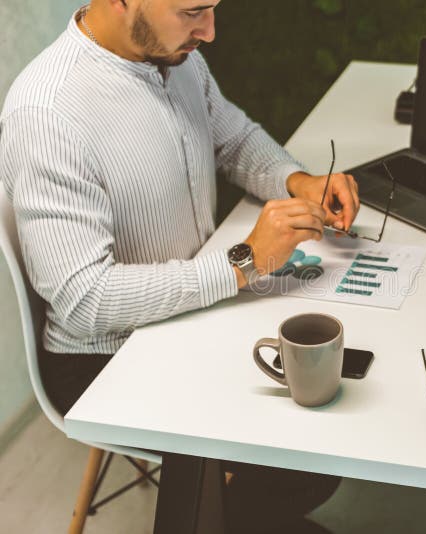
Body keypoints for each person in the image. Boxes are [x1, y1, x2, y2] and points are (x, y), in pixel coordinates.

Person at [0, 1, 358, 531]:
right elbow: (85, 302)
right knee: (308, 449)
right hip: (105, 359)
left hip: (189, 310)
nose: (210, 32)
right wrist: (243, 262)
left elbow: (232, 139)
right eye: (194, 11)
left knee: (331, 411)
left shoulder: (175, 54)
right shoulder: (48, 113)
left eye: (213, 9)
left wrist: (296, 180)